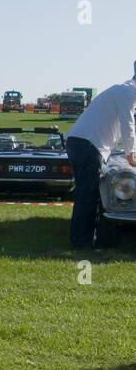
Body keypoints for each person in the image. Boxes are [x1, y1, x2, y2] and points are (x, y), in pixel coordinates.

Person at [67, 63, 136, 248]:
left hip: (82, 142)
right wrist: (131, 154)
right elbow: (127, 125)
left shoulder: (122, 91)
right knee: (88, 194)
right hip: (87, 144)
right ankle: (82, 243)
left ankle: (84, 239)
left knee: (87, 193)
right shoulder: (129, 93)